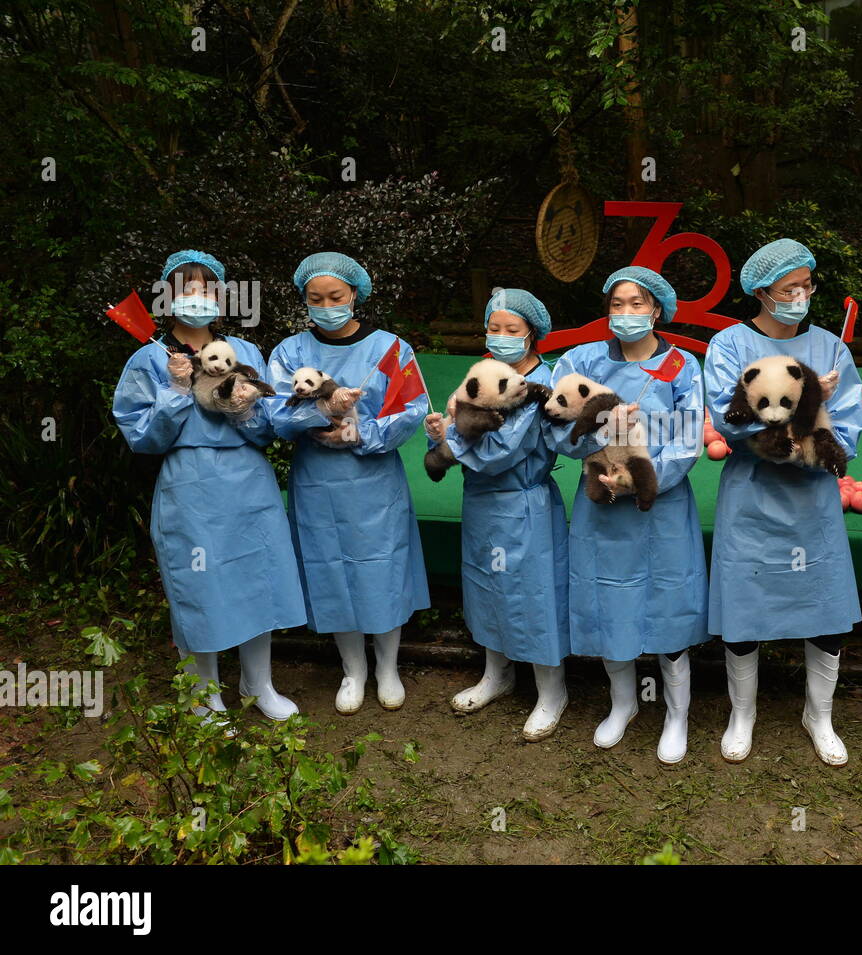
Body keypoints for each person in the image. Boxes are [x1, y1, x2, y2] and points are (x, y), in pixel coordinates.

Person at [112, 250, 303, 723]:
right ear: (166, 298)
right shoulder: (152, 357)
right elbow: (143, 437)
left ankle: (259, 684)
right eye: (184, 289)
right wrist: (176, 391)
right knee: (199, 585)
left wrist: (243, 407)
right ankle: (203, 693)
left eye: (205, 288)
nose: (196, 298)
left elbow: (268, 429)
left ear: (221, 296)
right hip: (190, 485)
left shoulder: (246, 352)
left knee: (259, 578)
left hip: (249, 484)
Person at [704, 238, 862, 766]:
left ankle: (818, 715)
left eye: (806, 286)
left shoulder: (832, 349)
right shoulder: (729, 345)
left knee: (826, 607)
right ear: (760, 292)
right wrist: (795, 416)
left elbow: (848, 428)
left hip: (813, 499)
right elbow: (730, 417)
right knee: (744, 605)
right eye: (787, 289)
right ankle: (742, 712)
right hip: (751, 496)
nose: (800, 296)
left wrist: (811, 443)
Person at [547, 266, 708, 764]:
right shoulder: (579, 361)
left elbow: (686, 443)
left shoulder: (681, 367)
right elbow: (555, 431)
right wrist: (599, 433)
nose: (626, 313)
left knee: (667, 606)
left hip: (660, 506)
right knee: (609, 604)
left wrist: (641, 477)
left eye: (637, 304)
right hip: (601, 507)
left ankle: (677, 713)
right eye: (616, 304)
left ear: (657, 309)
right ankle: (623, 705)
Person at [268, 252, 430, 715]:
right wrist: (320, 415)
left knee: (381, 567)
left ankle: (388, 668)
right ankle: (353, 669)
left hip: (373, 478)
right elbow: (275, 412)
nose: (327, 305)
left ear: (355, 294)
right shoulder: (290, 352)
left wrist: (360, 432)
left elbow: (412, 409)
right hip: (317, 480)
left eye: (336, 296)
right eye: (315, 298)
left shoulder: (391, 350)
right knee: (331, 568)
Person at [424, 289, 570, 740]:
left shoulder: (538, 387)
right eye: (494, 328)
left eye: (513, 329)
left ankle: (552, 690)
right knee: (486, 588)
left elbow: (502, 452)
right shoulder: (483, 376)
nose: (502, 336)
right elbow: (458, 436)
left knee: (534, 594)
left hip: (523, 501)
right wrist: (438, 434)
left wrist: (452, 439)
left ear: (532, 334)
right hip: (482, 503)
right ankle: (497, 675)